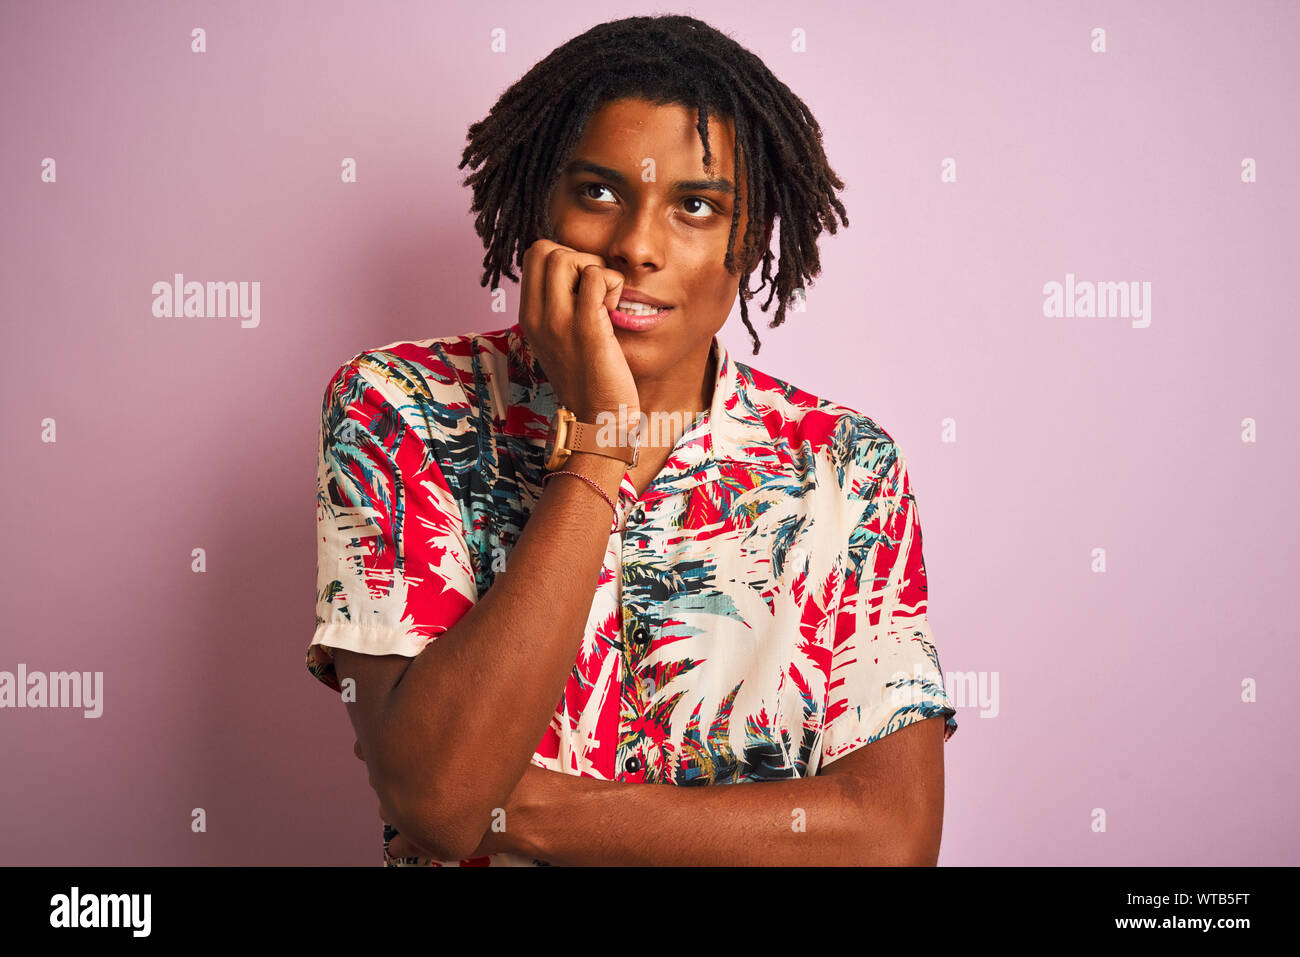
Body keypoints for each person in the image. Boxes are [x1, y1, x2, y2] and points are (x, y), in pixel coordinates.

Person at [307, 13, 958, 867]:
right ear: (541, 201)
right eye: (599, 192)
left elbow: (892, 839)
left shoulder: (843, 464)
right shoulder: (402, 410)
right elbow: (439, 798)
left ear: (750, 239)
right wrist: (597, 446)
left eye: (695, 205)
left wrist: (513, 808)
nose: (637, 246)